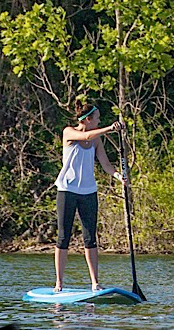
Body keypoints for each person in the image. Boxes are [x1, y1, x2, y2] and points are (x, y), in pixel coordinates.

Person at [53, 102, 125, 292]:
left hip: (88, 192)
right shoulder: (69, 132)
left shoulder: (96, 140)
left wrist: (119, 177)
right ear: (87, 120)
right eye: (98, 118)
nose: (99, 121)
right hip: (67, 190)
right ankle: (59, 283)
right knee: (63, 237)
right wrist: (110, 128)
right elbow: (85, 136)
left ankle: (95, 283)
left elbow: (106, 165)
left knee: (90, 238)